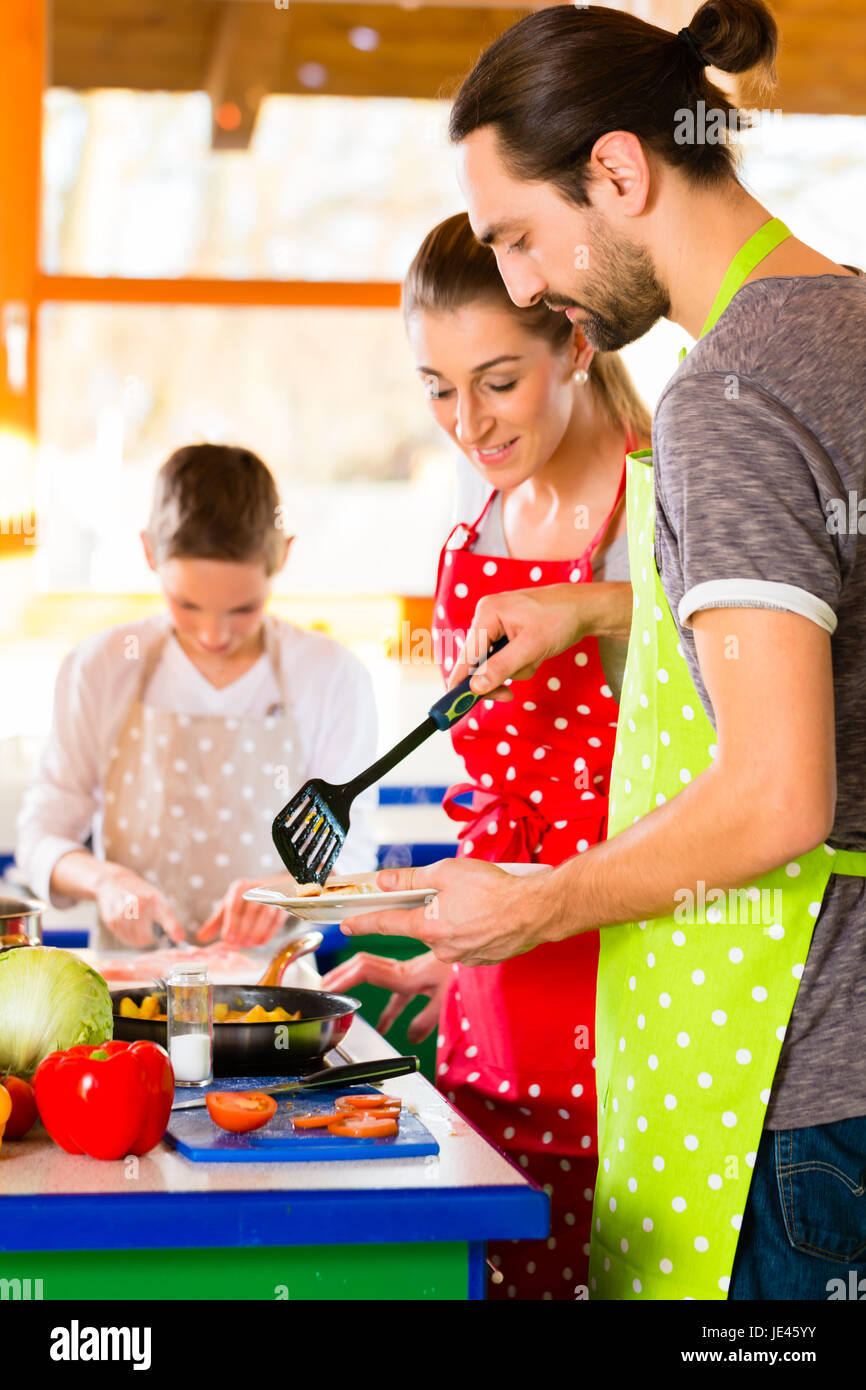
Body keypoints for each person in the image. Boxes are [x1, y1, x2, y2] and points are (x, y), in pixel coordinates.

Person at [339, 0, 866, 1302]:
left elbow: (774, 793)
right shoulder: (845, 324)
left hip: (796, 1095)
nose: (519, 286)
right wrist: (596, 610)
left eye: (518, 235)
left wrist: (528, 901)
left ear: (619, 170)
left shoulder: (726, 401)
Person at [323, 211, 650, 1299]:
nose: (465, 422)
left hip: (640, 1041)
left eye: (496, 380)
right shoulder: (468, 545)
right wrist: (451, 949)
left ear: (575, 343)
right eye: (436, 387)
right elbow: (504, 816)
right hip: (490, 1036)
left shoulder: (669, 506)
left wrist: (594, 607)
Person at [16, 444, 377, 951]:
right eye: (186, 604)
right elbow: (39, 838)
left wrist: (289, 889)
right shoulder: (99, 667)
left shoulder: (330, 675)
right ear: (148, 553)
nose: (213, 634)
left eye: (243, 608)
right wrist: (105, 881)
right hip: (125, 999)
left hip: (274, 1001)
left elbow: (356, 854)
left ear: (285, 556)